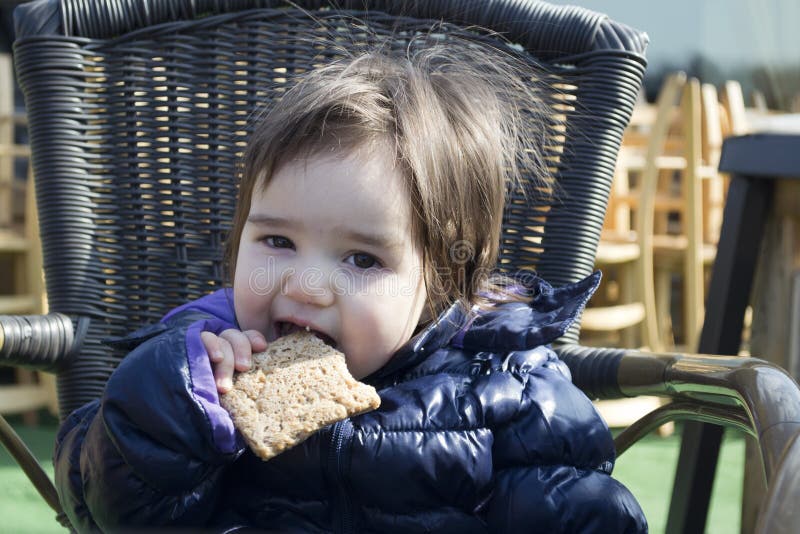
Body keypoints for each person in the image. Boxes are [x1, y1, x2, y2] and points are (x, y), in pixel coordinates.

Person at [53, 38, 648, 533]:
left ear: (442, 278)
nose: (307, 286)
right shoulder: (200, 361)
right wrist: (170, 410)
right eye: (277, 242)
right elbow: (97, 505)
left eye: (362, 259)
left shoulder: (507, 391)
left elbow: (581, 509)